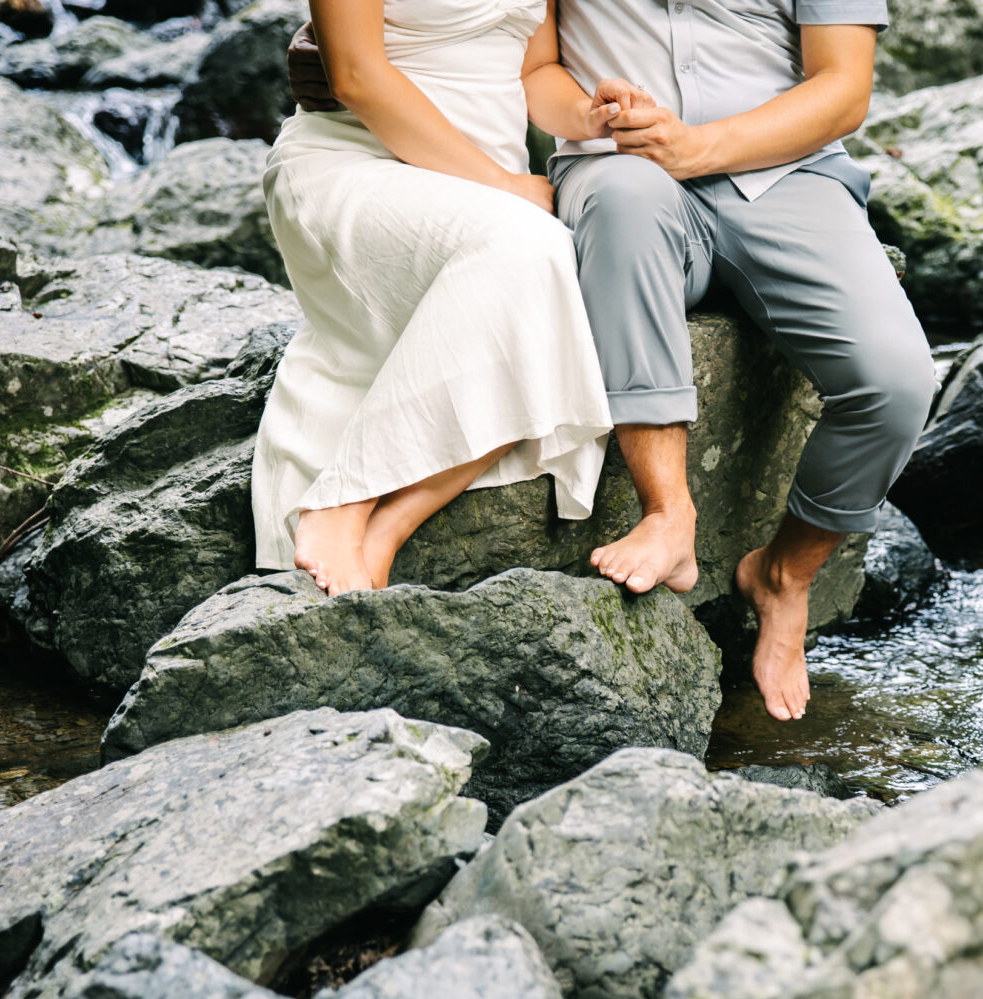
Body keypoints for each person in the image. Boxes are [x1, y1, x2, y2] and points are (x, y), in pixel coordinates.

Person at [290, 0, 936, 722]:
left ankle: (785, 575)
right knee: (624, 201)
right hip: (619, 176)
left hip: (790, 181)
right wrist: (592, 115)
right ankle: (668, 515)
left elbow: (843, 88)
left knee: (897, 381)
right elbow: (535, 65)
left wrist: (701, 147)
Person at [251, 0, 614, 595]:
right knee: (534, 260)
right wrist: (502, 184)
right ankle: (344, 499)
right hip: (354, 163)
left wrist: (587, 115)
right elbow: (355, 75)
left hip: (484, 200)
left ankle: (383, 530)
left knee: (541, 306)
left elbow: (532, 69)